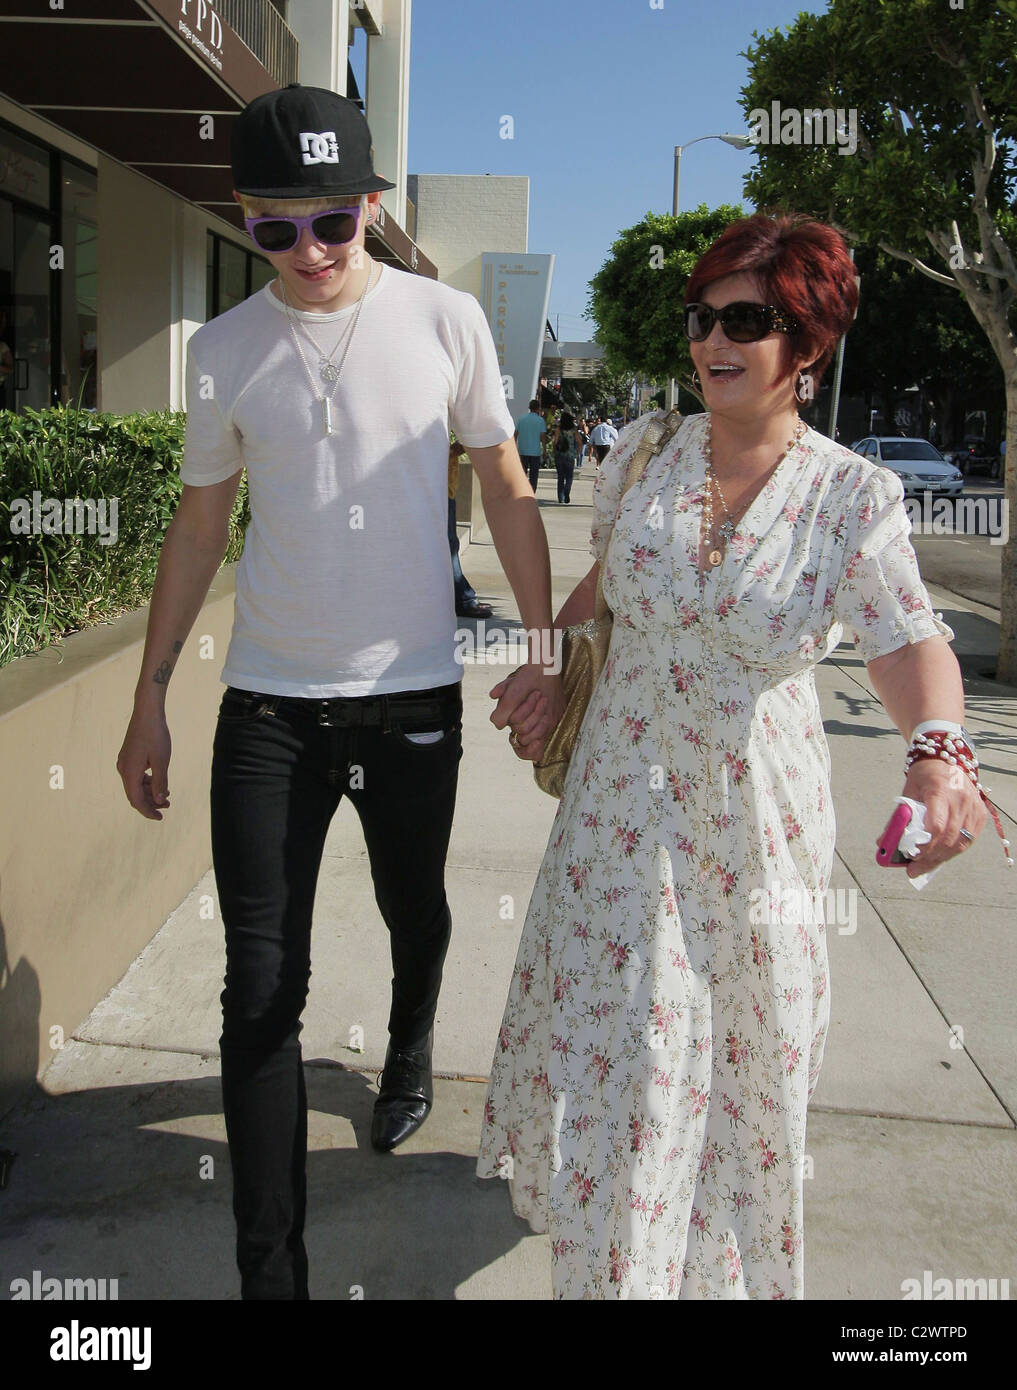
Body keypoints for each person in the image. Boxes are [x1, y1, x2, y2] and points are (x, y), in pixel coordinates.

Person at [478, 212, 1002, 1299]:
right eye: (702, 318)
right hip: (618, 819)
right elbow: (603, 591)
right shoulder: (646, 454)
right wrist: (551, 669)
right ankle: (618, 1270)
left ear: (807, 344)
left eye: (746, 321)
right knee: (633, 1059)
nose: (713, 340)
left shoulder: (850, 495)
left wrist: (938, 756)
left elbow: (908, 641)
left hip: (752, 826)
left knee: (739, 1069)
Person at [115, 83, 562, 1300]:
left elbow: (506, 482)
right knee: (260, 989)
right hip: (268, 708)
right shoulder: (223, 350)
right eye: (276, 228)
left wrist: (543, 648)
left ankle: (411, 1038)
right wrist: (151, 694)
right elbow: (199, 525)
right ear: (243, 214)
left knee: (415, 907)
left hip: (410, 700)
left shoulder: (445, 320)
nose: (308, 251)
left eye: (332, 222)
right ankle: (273, 1275)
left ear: (371, 204)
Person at [448, 439, 493, 618]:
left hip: (440, 485)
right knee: (449, 546)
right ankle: (463, 598)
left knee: (449, 545)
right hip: (435, 487)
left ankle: (462, 597)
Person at [515, 398, 548, 492]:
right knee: (534, 474)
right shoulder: (540, 420)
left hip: (523, 450)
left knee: (522, 472)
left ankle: (521, 490)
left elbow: (515, 434)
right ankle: (532, 491)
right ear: (538, 408)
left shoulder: (521, 419)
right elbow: (543, 437)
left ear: (529, 408)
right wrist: (544, 450)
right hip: (535, 452)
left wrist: (514, 448)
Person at [554, 410, 577, 503]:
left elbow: (555, 442)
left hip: (559, 455)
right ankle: (567, 491)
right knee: (569, 476)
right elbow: (579, 442)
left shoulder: (558, 429)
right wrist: (577, 453)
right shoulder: (574, 430)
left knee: (560, 477)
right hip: (570, 455)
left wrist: (554, 451)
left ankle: (561, 498)